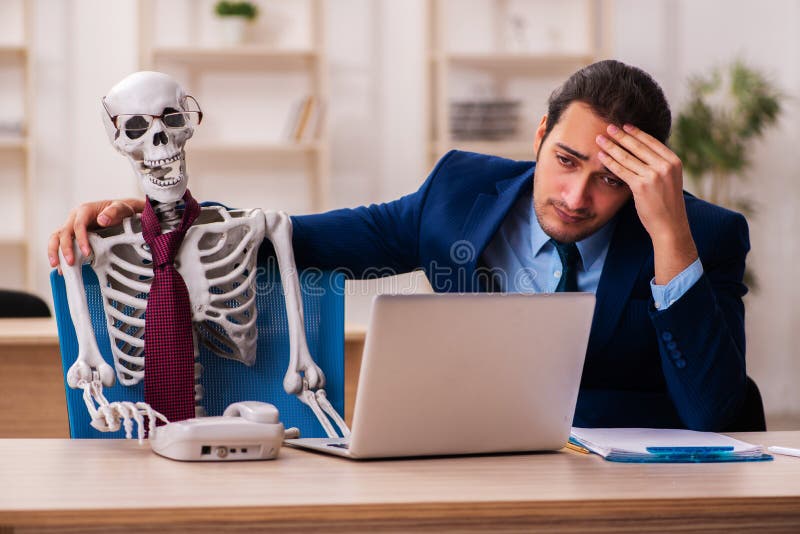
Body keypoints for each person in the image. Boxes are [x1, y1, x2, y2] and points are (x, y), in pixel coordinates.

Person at [50, 60, 752, 431]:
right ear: (539, 139)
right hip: (478, 465)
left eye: (608, 180)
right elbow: (309, 240)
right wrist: (162, 220)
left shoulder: (705, 238)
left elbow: (712, 414)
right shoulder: (459, 193)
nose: (575, 198)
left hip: (626, 494)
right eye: (566, 161)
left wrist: (669, 236)